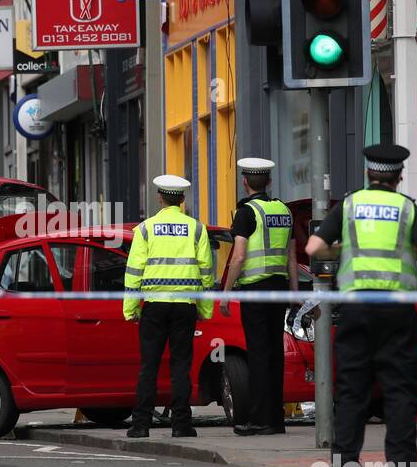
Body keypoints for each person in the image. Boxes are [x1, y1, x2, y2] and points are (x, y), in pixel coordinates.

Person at [305, 143, 417, 467]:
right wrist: (414, 252)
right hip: (397, 312)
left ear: (369, 173)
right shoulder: (407, 209)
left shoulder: (350, 205)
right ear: (399, 176)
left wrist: (343, 247)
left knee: (352, 390)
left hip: (356, 309)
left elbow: (314, 247)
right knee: (399, 392)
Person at [123, 175, 214, 439]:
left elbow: (133, 272)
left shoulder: (145, 229)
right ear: (182, 200)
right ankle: (181, 425)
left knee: (148, 366)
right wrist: (205, 310)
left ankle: (140, 425)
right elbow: (206, 273)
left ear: (160, 198)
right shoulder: (197, 229)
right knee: (181, 365)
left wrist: (130, 309)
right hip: (185, 307)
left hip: (154, 307)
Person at [219, 157, 297, 436]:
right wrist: (295, 293)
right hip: (279, 290)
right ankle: (276, 419)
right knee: (275, 354)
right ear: (269, 181)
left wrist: (226, 293)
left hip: (255, 290)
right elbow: (291, 257)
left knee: (259, 355)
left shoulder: (246, 213)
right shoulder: (284, 211)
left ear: (244, 182)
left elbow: (238, 256)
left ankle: (259, 419)